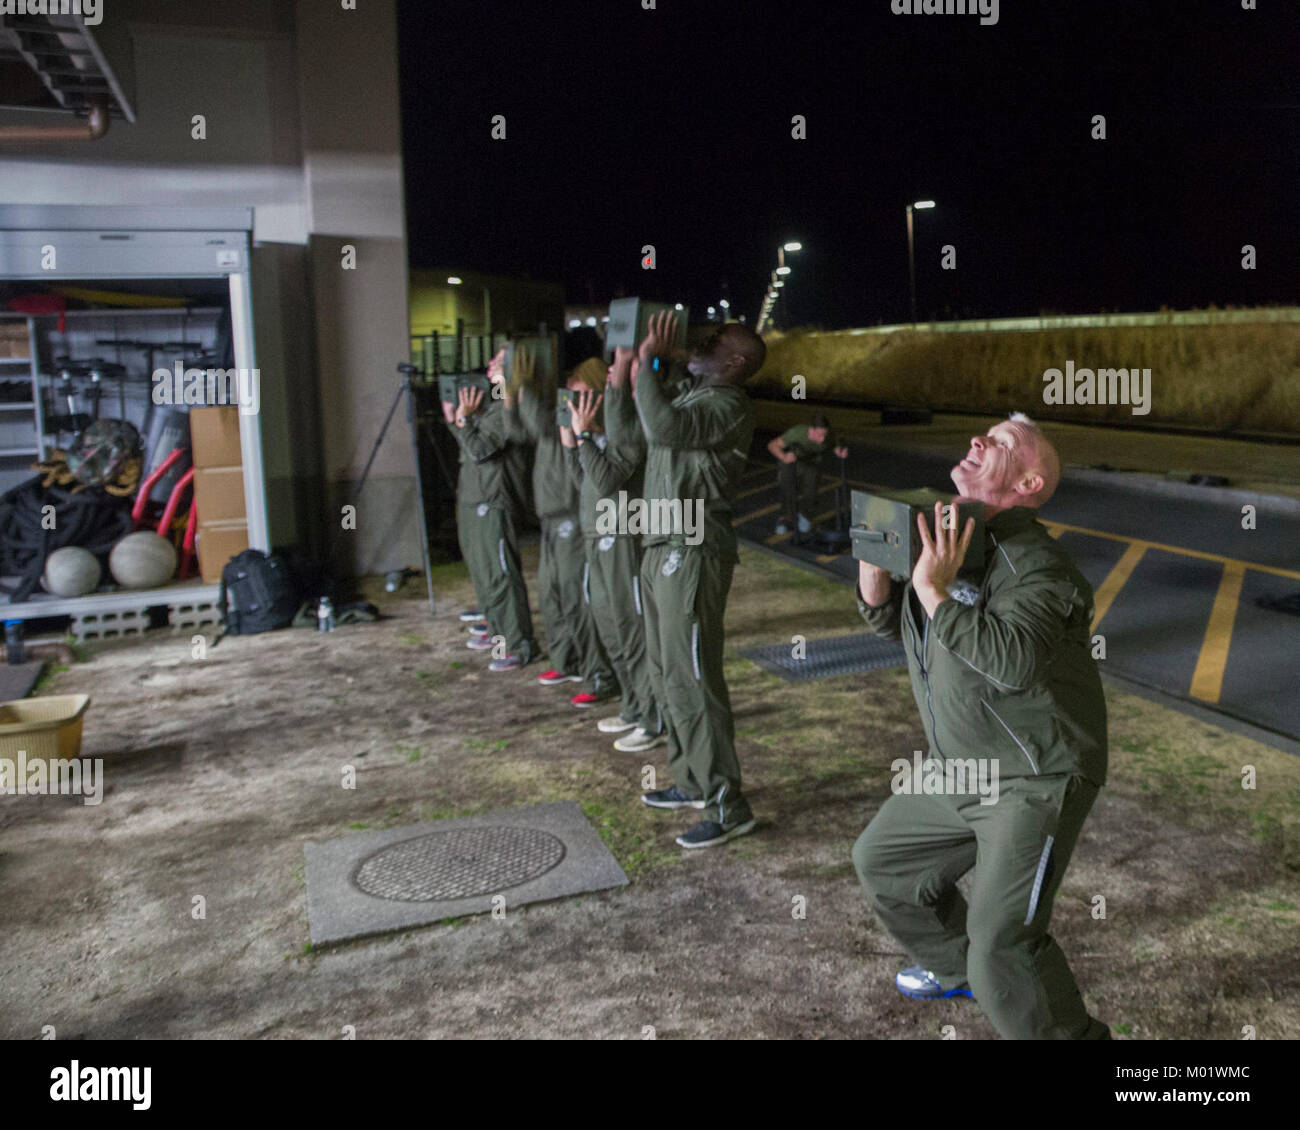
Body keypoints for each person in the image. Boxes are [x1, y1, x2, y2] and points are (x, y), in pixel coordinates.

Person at [851, 411, 1110, 1040]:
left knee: (1004, 945)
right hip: (960, 765)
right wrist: (876, 584)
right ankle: (953, 967)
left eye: (998, 444)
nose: (976, 441)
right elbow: (912, 634)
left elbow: (1013, 663)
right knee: (885, 865)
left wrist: (934, 591)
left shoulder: (1042, 568)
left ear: (1028, 485)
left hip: (1033, 777)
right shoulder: (952, 538)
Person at [634, 312, 765, 849]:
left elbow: (662, 427)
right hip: (663, 545)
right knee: (667, 673)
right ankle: (691, 780)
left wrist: (647, 362)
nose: (703, 345)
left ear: (735, 363)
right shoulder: (694, 394)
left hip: (693, 550)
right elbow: (655, 410)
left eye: (715, 344)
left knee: (694, 676)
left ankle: (728, 805)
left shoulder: (728, 405)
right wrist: (646, 364)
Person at [562, 348, 664, 752]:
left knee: (633, 628)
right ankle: (634, 705)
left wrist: (585, 435)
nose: (578, 405)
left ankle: (654, 717)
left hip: (623, 536)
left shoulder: (627, 429)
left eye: (584, 395)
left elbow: (606, 483)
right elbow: (581, 481)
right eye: (573, 397)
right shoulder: (598, 435)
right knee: (611, 627)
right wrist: (572, 441)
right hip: (597, 540)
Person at [507, 350, 616, 696]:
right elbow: (520, 431)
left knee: (576, 595)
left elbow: (538, 425)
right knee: (552, 593)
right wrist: (509, 393)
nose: (571, 392)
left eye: (579, 387)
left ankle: (598, 672)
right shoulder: (560, 407)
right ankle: (567, 659)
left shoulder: (590, 415)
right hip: (550, 515)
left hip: (572, 512)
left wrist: (521, 385)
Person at [444, 358, 538, 671]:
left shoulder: (507, 406)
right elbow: (470, 446)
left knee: (500, 574)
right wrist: (455, 420)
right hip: (474, 497)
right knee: (484, 572)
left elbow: (483, 449)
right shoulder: (492, 405)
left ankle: (518, 644)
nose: (489, 368)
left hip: (494, 499)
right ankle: (498, 632)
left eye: (497, 363)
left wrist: (464, 422)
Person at [768, 411, 847, 538]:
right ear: (811, 430)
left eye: (824, 435)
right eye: (819, 435)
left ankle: (805, 516)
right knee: (787, 488)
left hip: (811, 463)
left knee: (811, 491)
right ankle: (785, 518)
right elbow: (772, 445)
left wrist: (838, 450)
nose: (822, 439)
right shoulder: (797, 433)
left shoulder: (827, 435)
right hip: (792, 461)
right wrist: (783, 456)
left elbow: (834, 442)